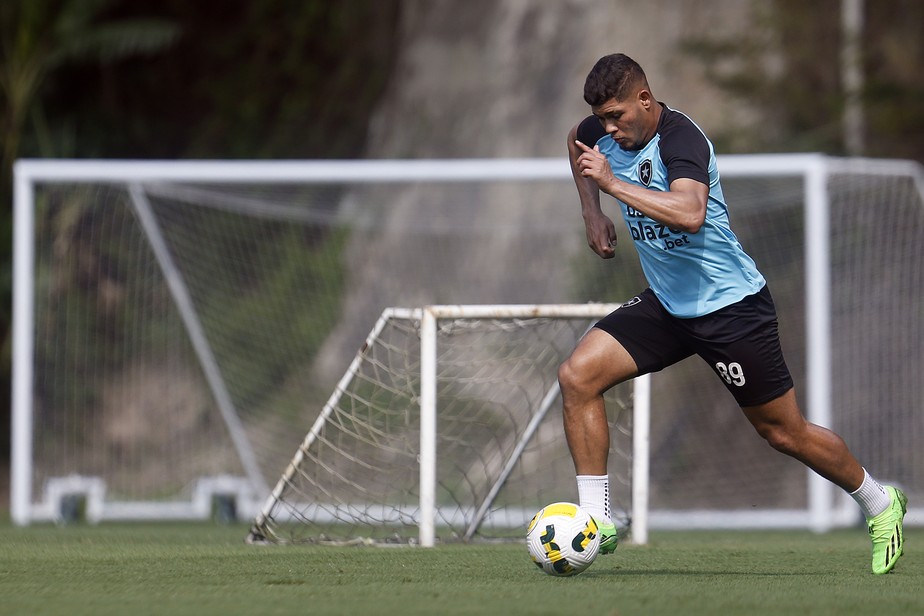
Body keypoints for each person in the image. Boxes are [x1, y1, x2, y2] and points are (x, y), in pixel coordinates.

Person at [561, 53, 907, 574]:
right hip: (669, 304)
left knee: (784, 433)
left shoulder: (682, 139)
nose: (608, 129)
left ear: (645, 101)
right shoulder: (601, 132)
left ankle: (882, 505)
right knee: (577, 376)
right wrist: (592, 212)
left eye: (617, 117)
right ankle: (594, 523)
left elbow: (691, 213)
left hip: (730, 308)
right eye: (603, 120)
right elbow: (576, 142)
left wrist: (611, 186)